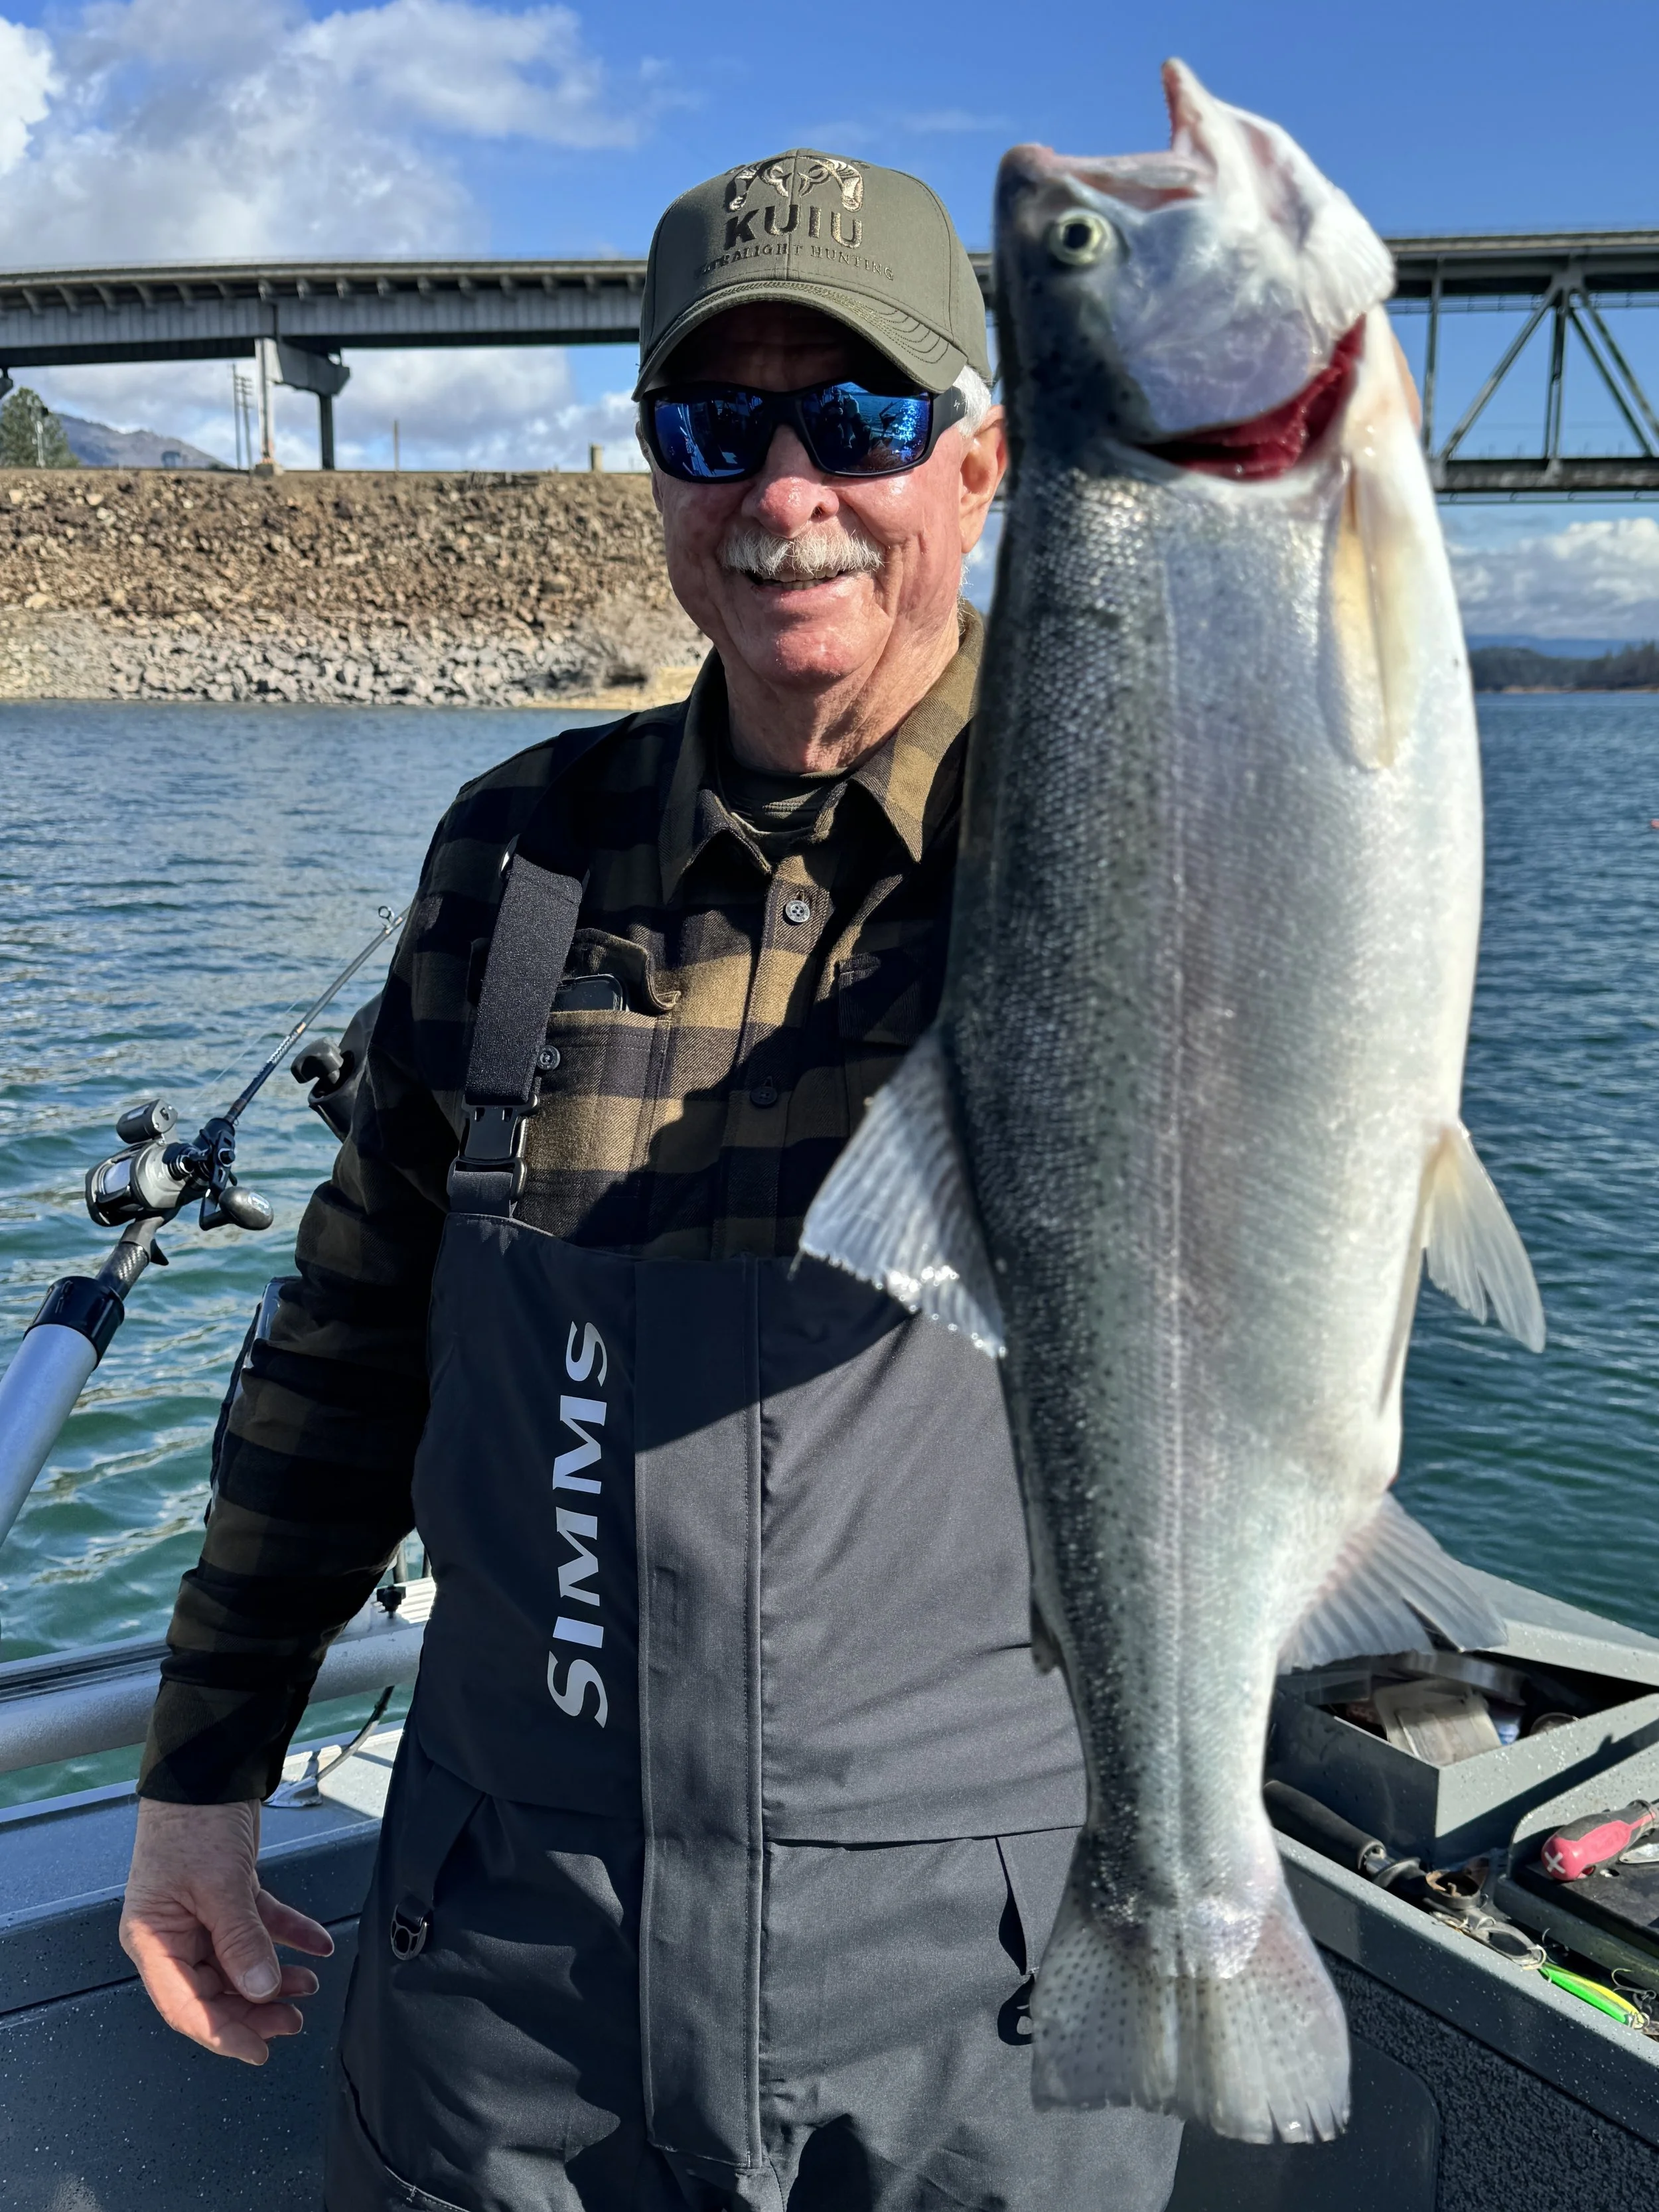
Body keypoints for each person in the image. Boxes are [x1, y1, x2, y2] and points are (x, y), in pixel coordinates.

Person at [120, 149, 1184, 2212]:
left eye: (859, 418)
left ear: (978, 462)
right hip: (512, 1956)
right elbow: (353, 1346)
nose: (787, 491)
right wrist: (204, 1763)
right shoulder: (515, 854)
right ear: (654, 469)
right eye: (719, 424)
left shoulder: (1131, 825)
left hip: (975, 1971)